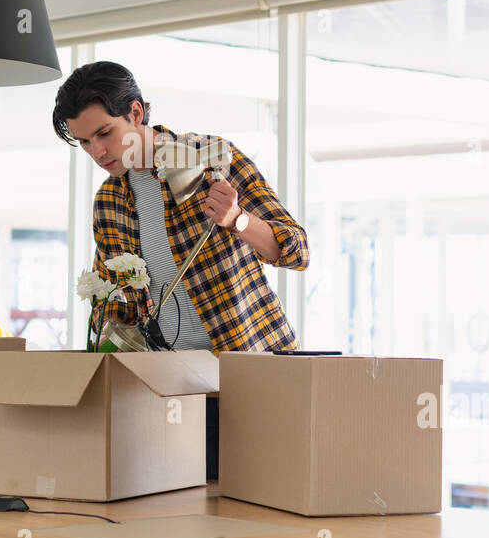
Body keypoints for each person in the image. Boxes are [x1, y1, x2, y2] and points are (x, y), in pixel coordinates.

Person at [53, 61, 310, 480]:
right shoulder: (108, 202)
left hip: (255, 377)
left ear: (135, 113)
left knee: (263, 518)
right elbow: (118, 309)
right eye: (83, 142)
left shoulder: (211, 158)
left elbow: (297, 250)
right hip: (175, 389)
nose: (97, 153)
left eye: (104, 134)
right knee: (182, 522)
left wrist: (238, 220)